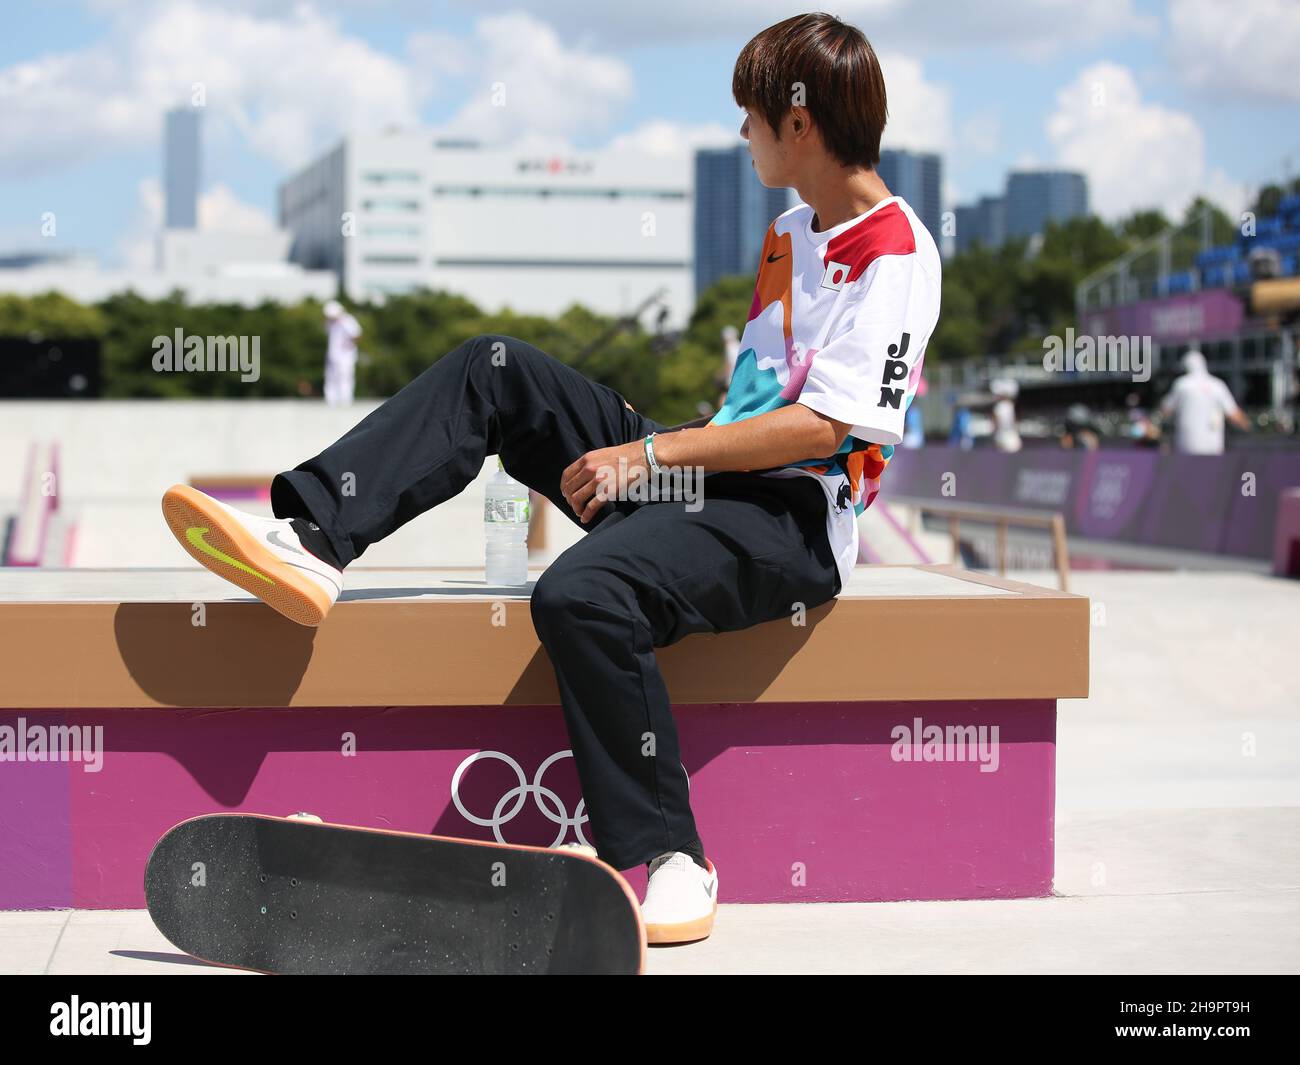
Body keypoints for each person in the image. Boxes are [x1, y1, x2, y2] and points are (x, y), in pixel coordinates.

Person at [159, 13, 939, 946]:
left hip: (794, 518)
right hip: (708, 476)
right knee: (497, 370)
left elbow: (823, 426)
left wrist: (649, 459)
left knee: (585, 591)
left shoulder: (896, 252)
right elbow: (751, 403)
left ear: (798, 124)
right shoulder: (788, 234)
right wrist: (658, 457)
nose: (743, 136)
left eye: (751, 117)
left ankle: (669, 857)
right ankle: (317, 539)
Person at [1159, 349, 1250, 455]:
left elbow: (1166, 410)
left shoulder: (1181, 384)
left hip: (1187, 444)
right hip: (1213, 446)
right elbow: (1233, 413)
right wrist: (1248, 426)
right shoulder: (1217, 385)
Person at [323, 299, 362, 406]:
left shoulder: (348, 321)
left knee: (345, 376)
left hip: (345, 356)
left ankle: (346, 399)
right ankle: (330, 399)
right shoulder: (330, 322)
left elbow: (357, 335)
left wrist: (348, 344)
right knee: (331, 377)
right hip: (332, 354)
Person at [990, 378, 1022, 452]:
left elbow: (995, 421)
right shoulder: (1009, 405)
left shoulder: (1001, 406)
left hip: (1004, 433)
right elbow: (1014, 420)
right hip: (1008, 433)